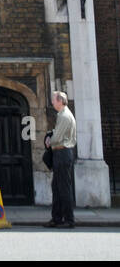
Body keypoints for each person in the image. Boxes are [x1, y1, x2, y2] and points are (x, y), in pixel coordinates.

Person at [45, 90, 77, 228]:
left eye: (54, 100)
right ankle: (57, 218)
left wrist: (49, 141)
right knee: (57, 187)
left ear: (60, 101)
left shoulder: (64, 116)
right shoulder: (62, 115)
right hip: (60, 153)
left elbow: (57, 137)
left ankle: (69, 220)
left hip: (63, 153)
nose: (52, 102)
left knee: (64, 188)